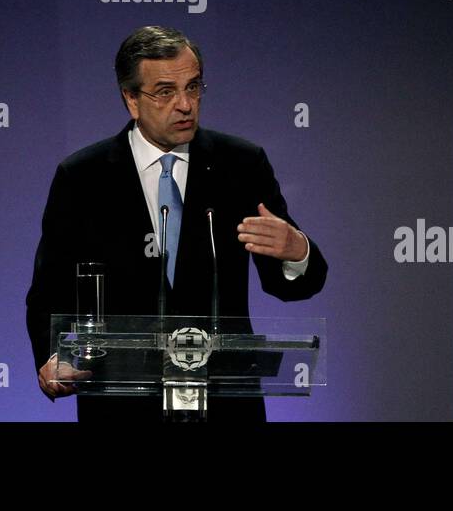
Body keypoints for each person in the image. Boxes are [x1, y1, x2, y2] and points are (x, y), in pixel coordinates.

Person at [26, 25, 328, 421]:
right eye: (166, 92)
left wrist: (297, 251)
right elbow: (48, 292)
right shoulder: (83, 177)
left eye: (194, 87)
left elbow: (289, 283)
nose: (185, 105)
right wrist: (52, 358)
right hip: (122, 408)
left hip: (223, 408)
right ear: (131, 100)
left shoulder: (240, 165)